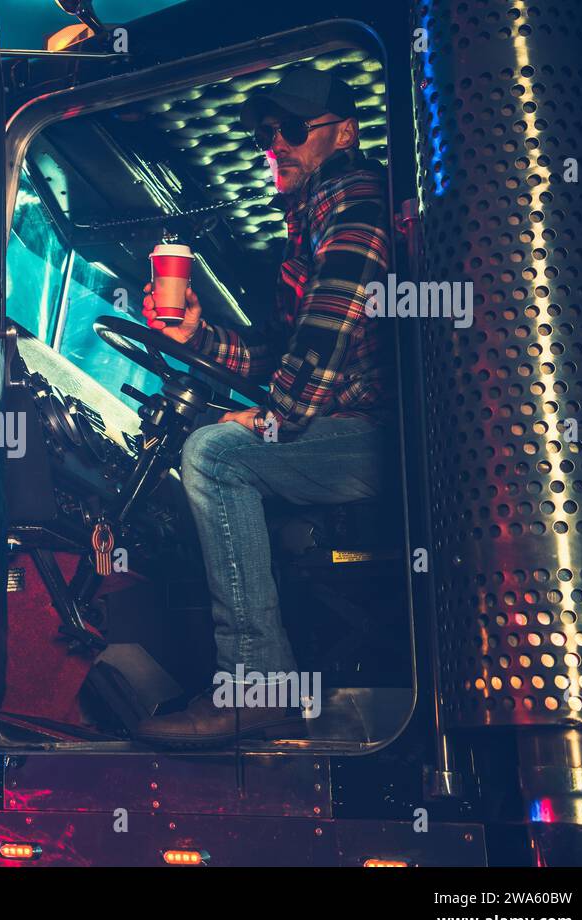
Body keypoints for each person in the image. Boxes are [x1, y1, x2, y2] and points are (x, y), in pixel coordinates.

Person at [135, 66, 393, 746]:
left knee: (216, 456)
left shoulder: (355, 202)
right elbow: (282, 349)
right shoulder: (309, 219)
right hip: (348, 429)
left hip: (388, 442)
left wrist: (271, 418)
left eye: (291, 129)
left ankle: (258, 685)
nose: (272, 143)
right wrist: (198, 337)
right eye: (264, 133)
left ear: (343, 133)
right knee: (222, 438)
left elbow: (329, 331)